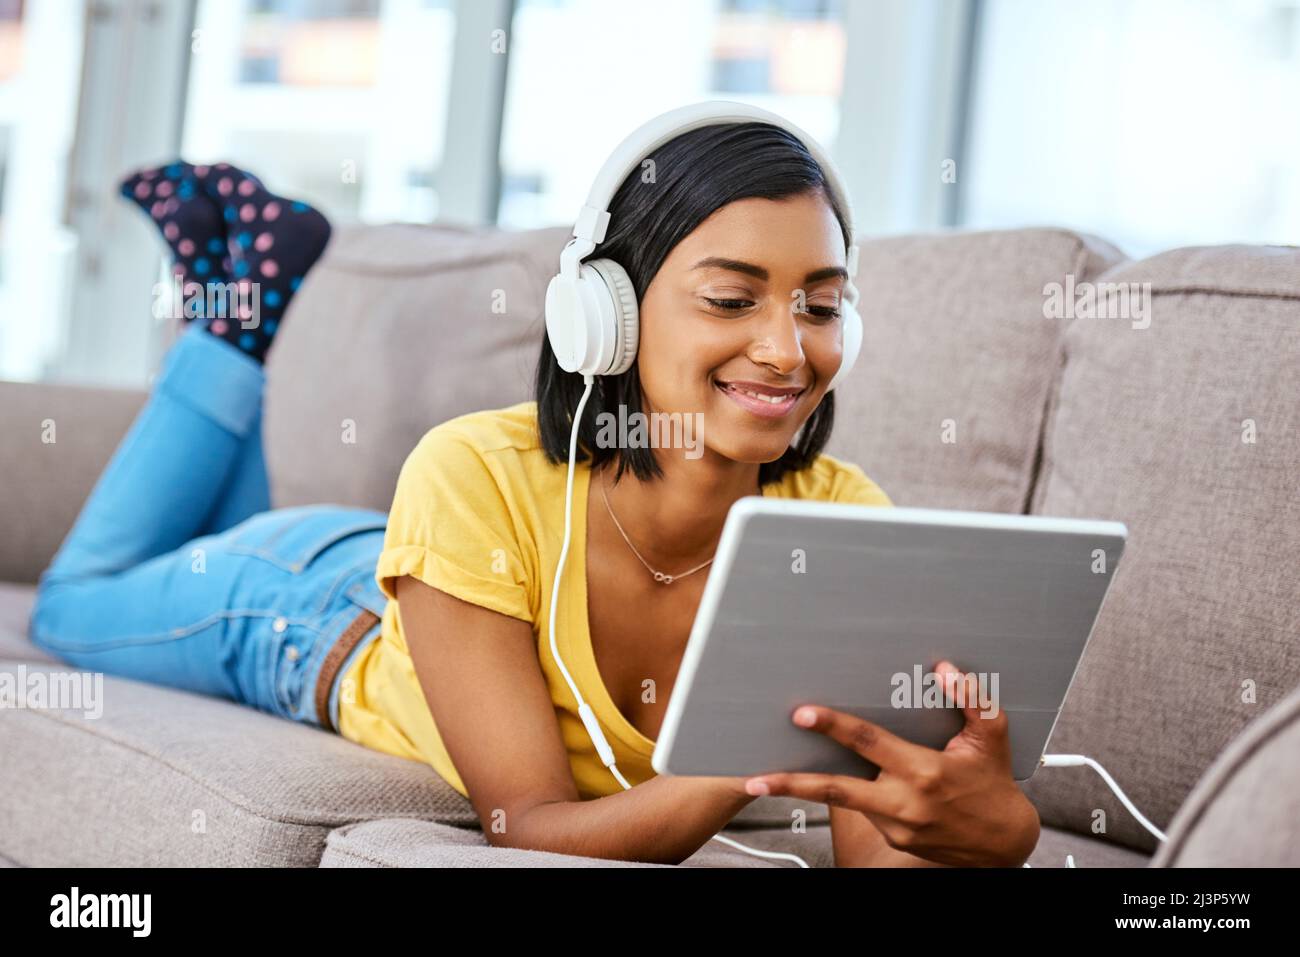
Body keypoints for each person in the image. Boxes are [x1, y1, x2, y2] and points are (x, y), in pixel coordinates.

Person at [30, 120, 1040, 868]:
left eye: (821, 306)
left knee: (197, 534)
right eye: (732, 300)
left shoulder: (845, 522)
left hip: (428, 583)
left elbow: (880, 846)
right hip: (305, 609)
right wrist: (751, 759)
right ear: (604, 315)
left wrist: (985, 827)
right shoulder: (469, 471)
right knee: (74, 605)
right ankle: (232, 329)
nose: (786, 349)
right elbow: (529, 829)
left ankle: (227, 280)